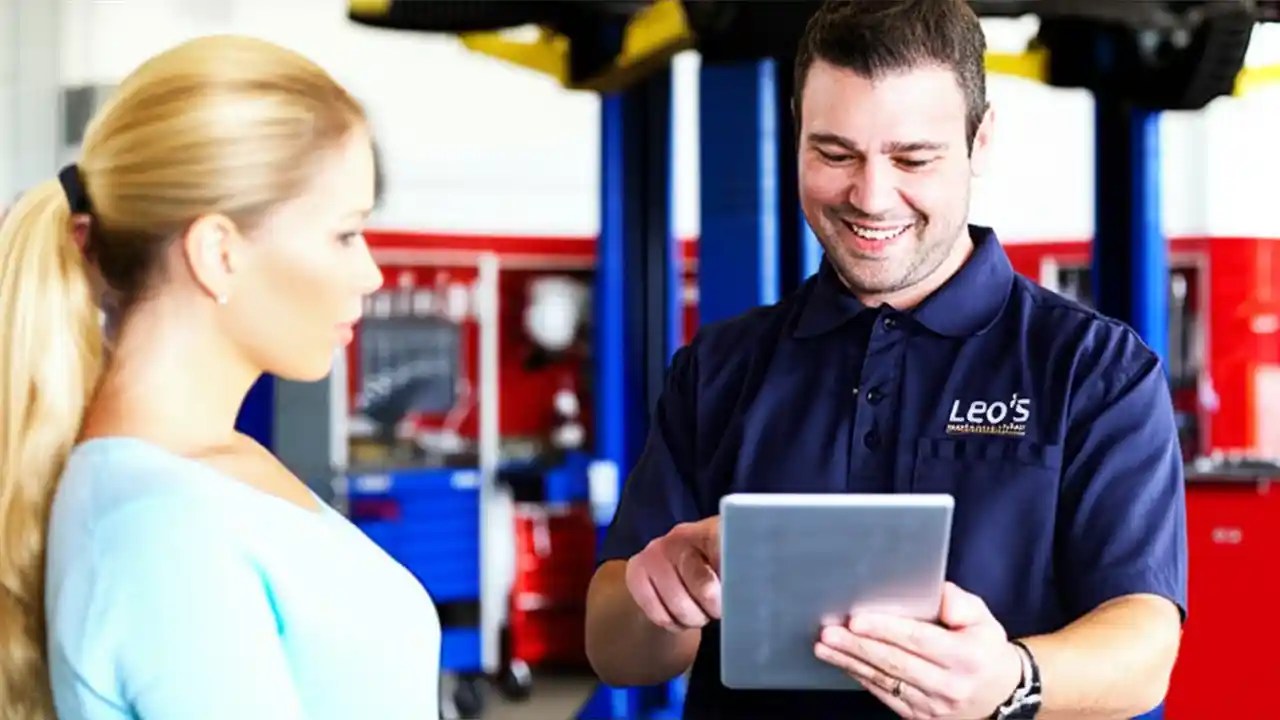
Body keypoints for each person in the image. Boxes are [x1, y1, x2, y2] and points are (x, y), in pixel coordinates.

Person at [584, 1, 1188, 718]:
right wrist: (661, 594)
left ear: (980, 141)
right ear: (797, 135)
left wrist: (1012, 680)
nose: (871, 197)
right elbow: (614, 651)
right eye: (834, 153)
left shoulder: (1094, 370)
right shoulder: (721, 366)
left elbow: (1145, 644)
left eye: (913, 157)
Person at [0, 35, 441, 720]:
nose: (372, 273)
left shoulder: (208, 467)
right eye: (346, 234)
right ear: (218, 253)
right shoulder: (159, 529)